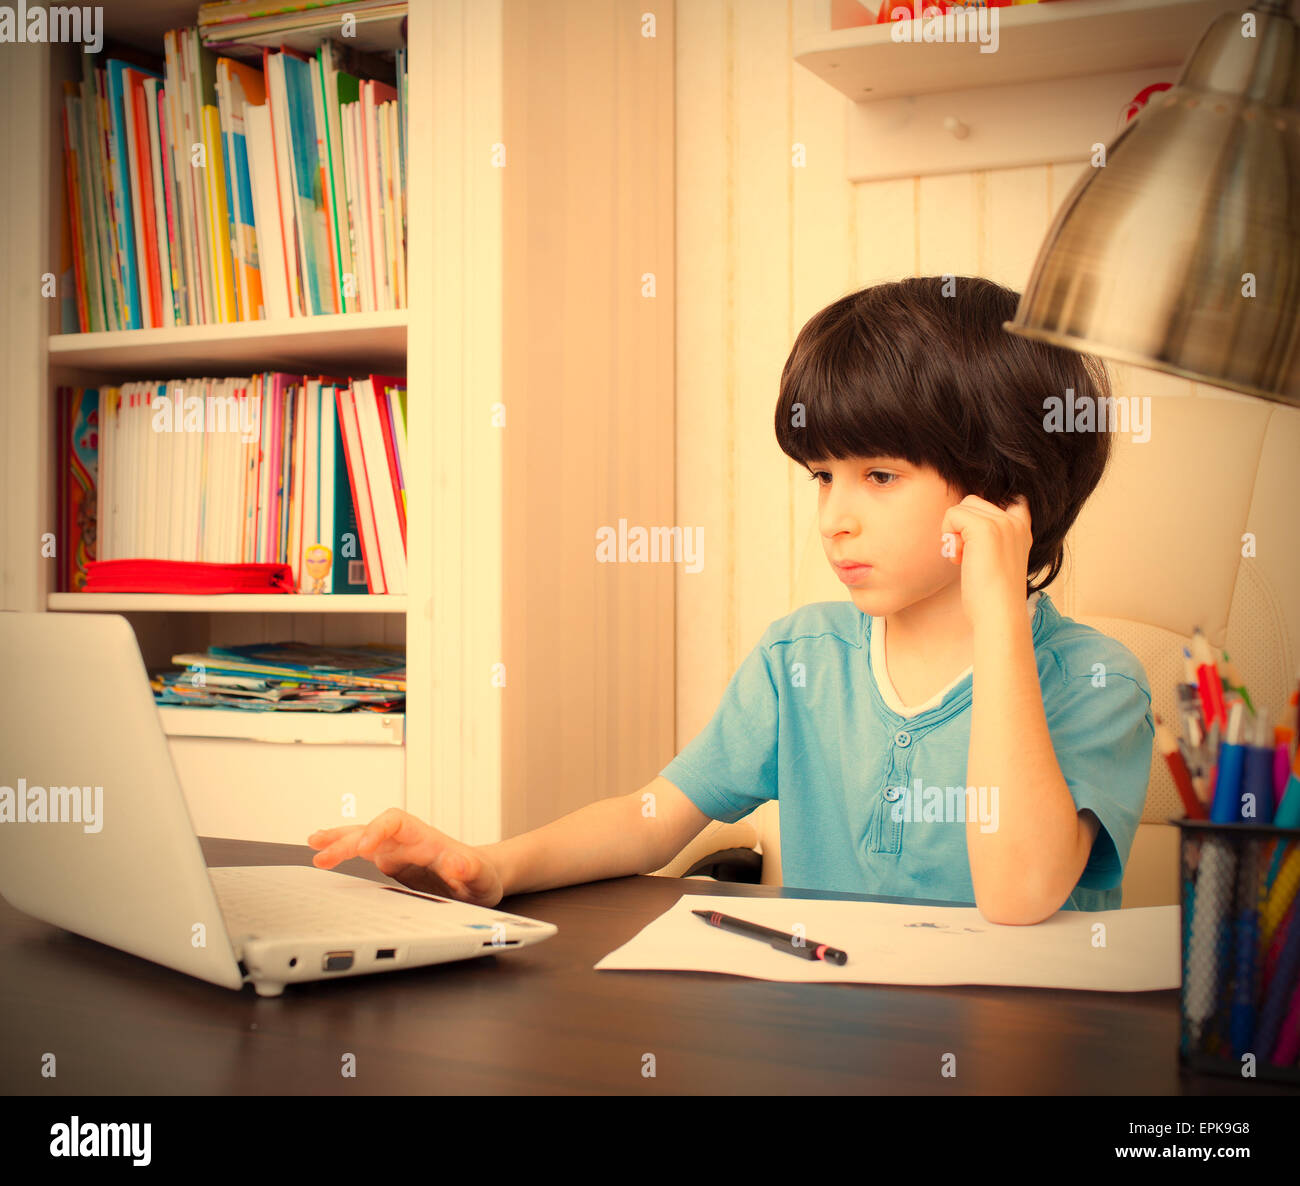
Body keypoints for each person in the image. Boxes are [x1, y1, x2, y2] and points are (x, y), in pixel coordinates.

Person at [308, 275, 1154, 926]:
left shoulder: (1096, 680)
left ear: (1003, 489)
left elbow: (1019, 894)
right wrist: (492, 866)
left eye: (879, 477)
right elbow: (652, 817)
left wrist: (1001, 617)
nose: (835, 518)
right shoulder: (801, 660)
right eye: (823, 477)